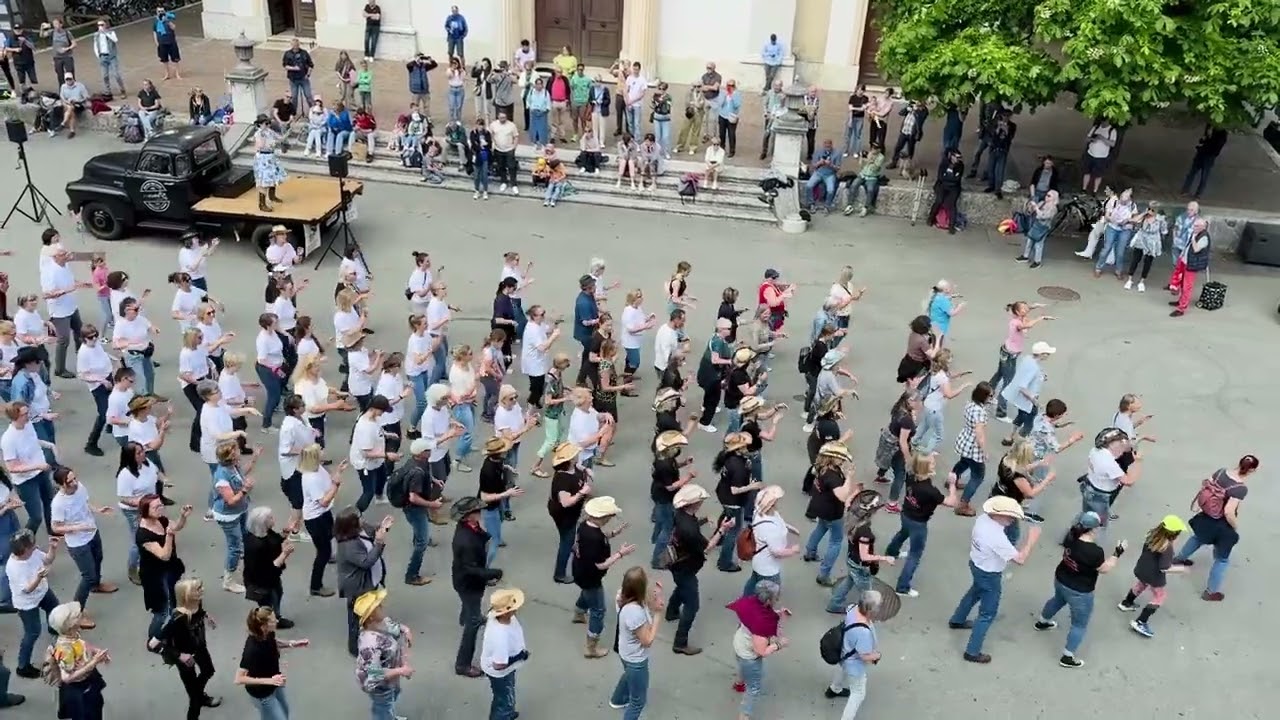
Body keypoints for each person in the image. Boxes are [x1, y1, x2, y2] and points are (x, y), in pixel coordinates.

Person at [947, 496, 1041, 663]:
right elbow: (1020, 559)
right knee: (987, 613)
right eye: (1009, 517)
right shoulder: (996, 537)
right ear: (998, 515)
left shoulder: (983, 520)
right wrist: (1031, 540)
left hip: (976, 563)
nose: (1012, 520)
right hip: (990, 574)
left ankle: (957, 619)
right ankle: (972, 651)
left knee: (974, 592)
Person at [1033, 511, 1125, 668]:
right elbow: (1104, 569)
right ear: (1094, 529)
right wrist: (1117, 553)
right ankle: (1067, 656)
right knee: (1079, 624)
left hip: (1061, 579)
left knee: (1057, 600)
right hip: (1080, 591)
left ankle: (1043, 621)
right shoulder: (1095, 551)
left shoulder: (1071, 537)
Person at [1171, 454, 1258, 601]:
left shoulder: (1221, 472)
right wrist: (1235, 526)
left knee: (1198, 538)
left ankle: (1179, 559)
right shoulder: (1240, 489)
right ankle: (1211, 592)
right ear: (1251, 471)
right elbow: (1229, 512)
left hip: (1207, 515)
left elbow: (1206, 486)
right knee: (1222, 559)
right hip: (1221, 524)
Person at [666, 484, 734, 655]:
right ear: (694, 503)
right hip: (686, 567)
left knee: (681, 587)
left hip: (677, 563)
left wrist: (703, 520)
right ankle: (680, 642)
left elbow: (692, 524)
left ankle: (671, 611)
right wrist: (722, 530)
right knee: (692, 604)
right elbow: (707, 548)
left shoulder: (681, 515)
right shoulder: (690, 530)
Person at [884, 453, 960, 596]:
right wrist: (952, 484)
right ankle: (902, 587)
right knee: (915, 554)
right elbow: (952, 502)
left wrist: (928, 456)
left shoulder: (911, 476)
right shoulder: (930, 491)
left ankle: (892, 552)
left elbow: (917, 462)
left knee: (903, 533)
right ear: (925, 468)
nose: (934, 464)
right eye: (931, 463)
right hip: (919, 523)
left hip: (906, 513)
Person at [49, 467, 117, 626]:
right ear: (61, 485)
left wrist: (98, 509)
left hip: (92, 532)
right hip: (77, 543)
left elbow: (85, 503)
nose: (74, 483)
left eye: (74, 478)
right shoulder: (58, 503)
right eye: (69, 481)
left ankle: (97, 585)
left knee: (98, 559)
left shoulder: (80, 488)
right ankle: (76, 612)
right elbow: (56, 527)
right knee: (87, 576)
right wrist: (78, 527)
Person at [573, 496, 634, 659]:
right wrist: (620, 554)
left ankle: (578, 612)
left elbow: (600, 534)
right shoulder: (594, 539)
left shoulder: (584, 526)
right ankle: (591, 647)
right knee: (598, 610)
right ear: (603, 517)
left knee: (586, 594)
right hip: (590, 577)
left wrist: (614, 533)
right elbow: (600, 565)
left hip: (579, 571)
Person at [449, 496, 503, 677]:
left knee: (470, 604)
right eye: (476, 511)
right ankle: (462, 664)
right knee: (472, 624)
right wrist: (493, 573)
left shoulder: (469, 528)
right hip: (468, 583)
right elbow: (472, 570)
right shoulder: (466, 541)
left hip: (465, 581)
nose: (480, 513)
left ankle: (467, 616)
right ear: (468, 516)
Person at [136, 495, 192, 652]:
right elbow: (163, 555)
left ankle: (173, 626)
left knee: (173, 601)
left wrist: (182, 517)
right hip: (156, 576)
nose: (161, 509)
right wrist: (168, 536)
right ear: (146, 511)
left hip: (170, 569)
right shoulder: (143, 534)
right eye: (156, 507)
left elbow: (176, 527)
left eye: (161, 505)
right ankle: (153, 638)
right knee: (162, 610)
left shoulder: (161, 519)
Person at [161, 577, 221, 718]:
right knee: (194, 700)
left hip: (199, 647)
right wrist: (179, 655)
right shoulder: (177, 619)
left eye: (201, 587)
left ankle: (198, 695)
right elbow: (155, 644)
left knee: (208, 670)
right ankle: (197, 699)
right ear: (186, 595)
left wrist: (205, 615)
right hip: (183, 657)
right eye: (198, 589)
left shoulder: (197, 603)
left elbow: (198, 612)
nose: (202, 590)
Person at [1120, 515, 1190, 636]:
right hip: (1154, 576)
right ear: (1174, 534)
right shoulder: (1167, 547)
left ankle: (1126, 603)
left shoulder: (1151, 536)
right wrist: (1181, 569)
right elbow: (1164, 568)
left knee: (1140, 584)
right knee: (1160, 596)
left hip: (1142, 568)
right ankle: (1141, 621)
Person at [609, 566, 664, 718]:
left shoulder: (622, 595)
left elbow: (643, 601)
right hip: (636, 659)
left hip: (625, 651)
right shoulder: (635, 613)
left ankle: (618, 699)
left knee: (628, 673)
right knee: (637, 702)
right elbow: (647, 640)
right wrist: (658, 614)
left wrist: (655, 596)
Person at [235, 607, 309, 720]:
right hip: (262, 694)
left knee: (285, 713)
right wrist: (270, 680)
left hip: (275, 684)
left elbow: (274, 642)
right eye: (273, 621)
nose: (277, 622)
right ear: (264, 626)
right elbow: (239, 679)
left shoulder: (268, 634)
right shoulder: (252, 650)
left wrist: (292, 644)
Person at [726, 579, 787, 717]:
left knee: (742, 665)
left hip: (739, 643)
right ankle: (744, 715)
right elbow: (761, 651)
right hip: (749, 656)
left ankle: (739, 683)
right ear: (768, 601)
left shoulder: (749, 602)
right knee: (753, 688)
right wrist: (779, 644)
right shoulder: (762, 624)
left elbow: (759, 615)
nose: (777, 599)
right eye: (776, 597)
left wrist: (778, 615)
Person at [335, 508, 391, 656]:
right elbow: (366, 562)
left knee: (367, 614)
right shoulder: (348, 545)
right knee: (356, 617)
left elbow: (373, 530)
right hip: (357, 588)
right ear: (352, 523)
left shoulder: (360, 529)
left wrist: (383, 527)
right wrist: (379, 543)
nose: (363, 519)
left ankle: (369, 640)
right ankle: (355, 648)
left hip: (368, 582)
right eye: (359, 517)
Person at [5, 530, 60, 678]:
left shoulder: (33, 552)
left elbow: (47, 560)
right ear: (23, 551)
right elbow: (28, 589)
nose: (35, 547)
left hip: (42, 592)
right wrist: (39, 576)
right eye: (31, 546)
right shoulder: (14, 567)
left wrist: (52, 548)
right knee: (32, 632)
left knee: (54, 608)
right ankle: (23, 666)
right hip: (27, 603)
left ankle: (54, 628)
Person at [354, 588, 414, 719]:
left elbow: (394, 627)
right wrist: (401, 670)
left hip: (390, 677)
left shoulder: (381, 622)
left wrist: (406, 630)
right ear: (371, 616)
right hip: (379, 686)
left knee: (393, 696)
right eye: (378, 606)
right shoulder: (369, 644)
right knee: (383, 706)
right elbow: (374, 673)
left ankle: (390, 716)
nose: (382, 607)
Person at [823, 590, 883, 719]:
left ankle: (835, 688)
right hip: (854, 664)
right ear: (870, 611)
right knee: (858, 693)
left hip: (844, 651)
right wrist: (876, 656)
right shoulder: (863, 632)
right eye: (878, 606)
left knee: (842, 668)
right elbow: (864, 656)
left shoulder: (852, 608)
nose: (879, 609)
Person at [45, 600, 109, 719]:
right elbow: (66, 678)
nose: (81, 614)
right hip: (80, 688)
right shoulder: (65, 649)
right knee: (88, 714)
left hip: (87, 679)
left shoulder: (72, 635)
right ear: (71, 625)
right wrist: (93, 662)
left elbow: (81, 644)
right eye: (77, 616)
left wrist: (95, 650)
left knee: (96, 707)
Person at [481, 587, 528, 720]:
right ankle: (504, 714)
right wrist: (519, 657)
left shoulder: (497, 617)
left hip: (501, 669)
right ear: (506, 613)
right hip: (501, 673)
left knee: (501, 696)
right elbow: (499, 664)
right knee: (505, 698)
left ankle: (506, 711)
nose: (516, 609)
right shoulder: (500, 636)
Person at [243, 507, 293, 627]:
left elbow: (274, 540)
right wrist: (284, 554)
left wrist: (283, 534)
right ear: (262, 522)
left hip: (271, 579)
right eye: (270, 517)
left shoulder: (265, 533)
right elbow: (268, 569)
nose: (273, 519)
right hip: (261, 582)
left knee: (277, 593)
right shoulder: (256, 546)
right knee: (269, 601)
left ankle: (274, 617)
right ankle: (270, 621)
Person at [1181, 125, 1228, 198]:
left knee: (1204, 176)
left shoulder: (1222, 133)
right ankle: (1185, 190)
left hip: (1209, 156)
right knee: (1192, 173)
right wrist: (1204, 139)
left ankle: (1198, 194)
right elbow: (1203, 140)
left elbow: (1218, 145)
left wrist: (1209, 138)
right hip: (1201, 153)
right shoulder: (1209, 126)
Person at [91, 18, 126, 97]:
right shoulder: (96, 35)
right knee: (105, 75)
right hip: (103, 56)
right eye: (99, 25)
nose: (100, 27)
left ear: (106, 25)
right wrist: (98, 55)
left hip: (112, 56)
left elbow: (115, 40)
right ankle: (108, 91)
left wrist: (106, 33)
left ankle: (122, 89)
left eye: (102, 25)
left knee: (116, 74)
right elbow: (95, 46)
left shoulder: (111, 32)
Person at [153, 7, 182, 80]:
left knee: (175, 59)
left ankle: (177, 74)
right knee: (164, 60)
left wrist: (167, 21)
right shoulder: (156, 22)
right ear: (156, 12)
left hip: (171, 42)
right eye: (159, 11)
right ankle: (167, 74)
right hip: (162, 43)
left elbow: (173, 27)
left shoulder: (168, 20)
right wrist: (156, 42)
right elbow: (154, 32)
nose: (160, 13)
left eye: (162, 11)